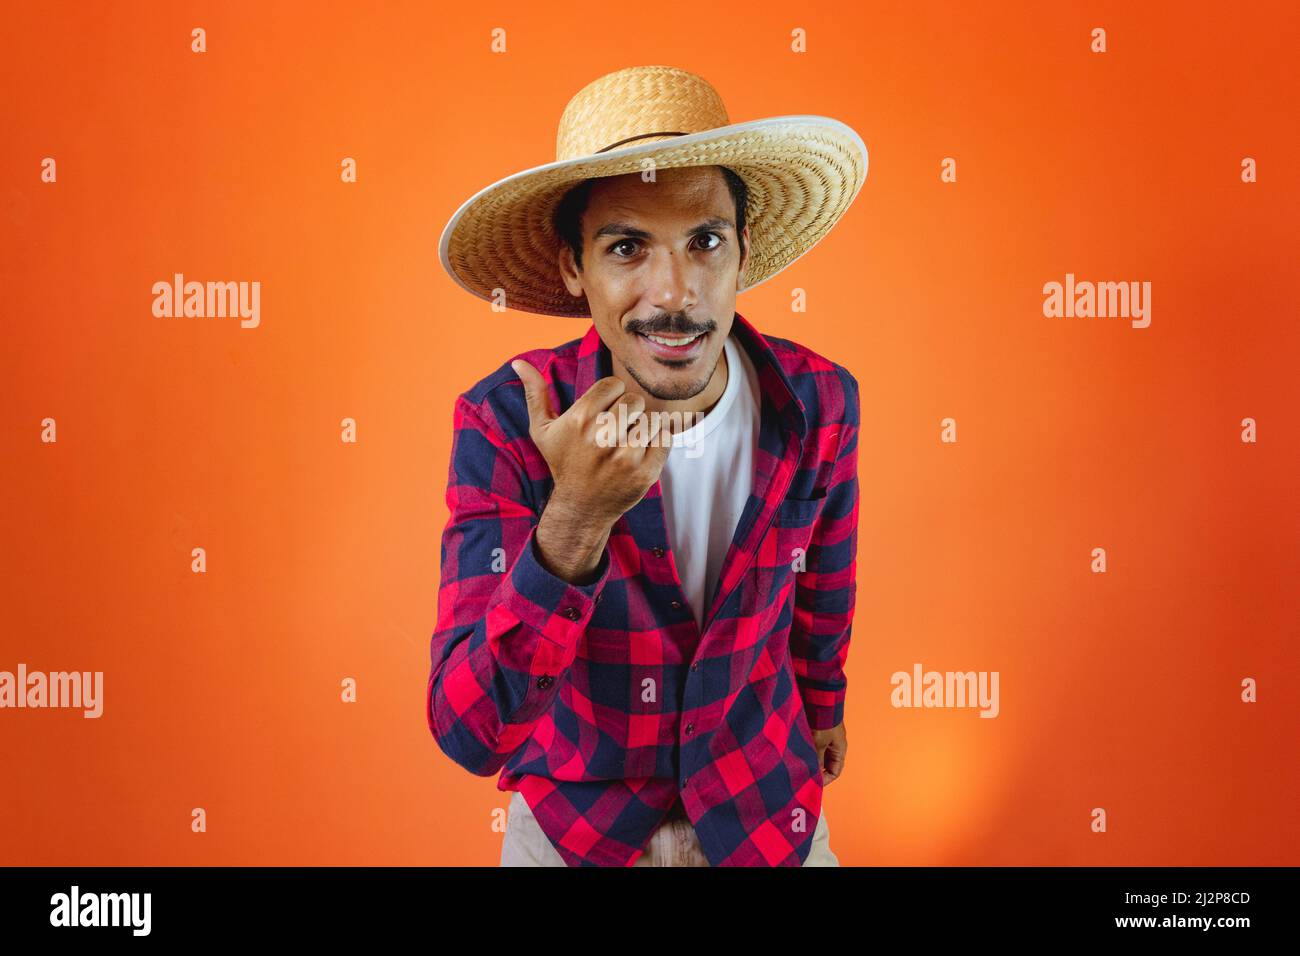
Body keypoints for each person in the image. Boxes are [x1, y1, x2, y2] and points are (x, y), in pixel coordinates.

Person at [429, 65, 867, 866]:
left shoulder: (820, 402)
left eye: (704, 240)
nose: (674, 294)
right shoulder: (504, 421)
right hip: (576, 835)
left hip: (765, 812)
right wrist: (575, 521)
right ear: (573, 269)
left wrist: (825, 704)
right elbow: (471, 730)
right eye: (627, 246)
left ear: (743, 251)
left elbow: (824, 588)